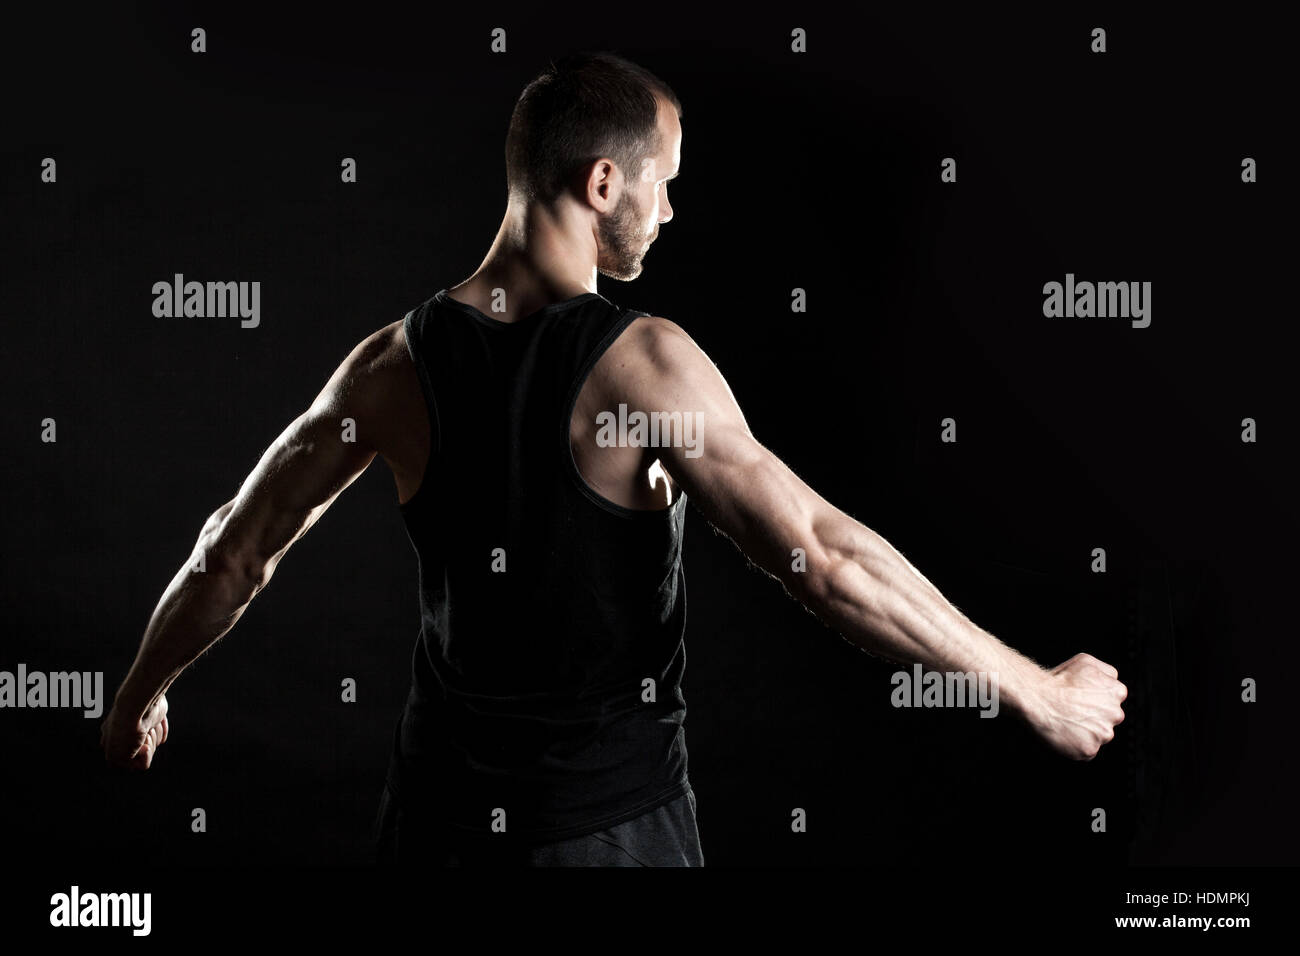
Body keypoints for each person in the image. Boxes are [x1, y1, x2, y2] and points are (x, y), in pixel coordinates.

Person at [101, 51, 1127, 867]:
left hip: (431, 826)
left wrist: (137, 695)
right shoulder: (646, 365)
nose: (671, 210)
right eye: (663, 183)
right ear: (603, 182)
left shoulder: (387, 367)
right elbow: (820, 556)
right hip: (607, 834)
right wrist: (1035, 689)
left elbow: (230, 553)